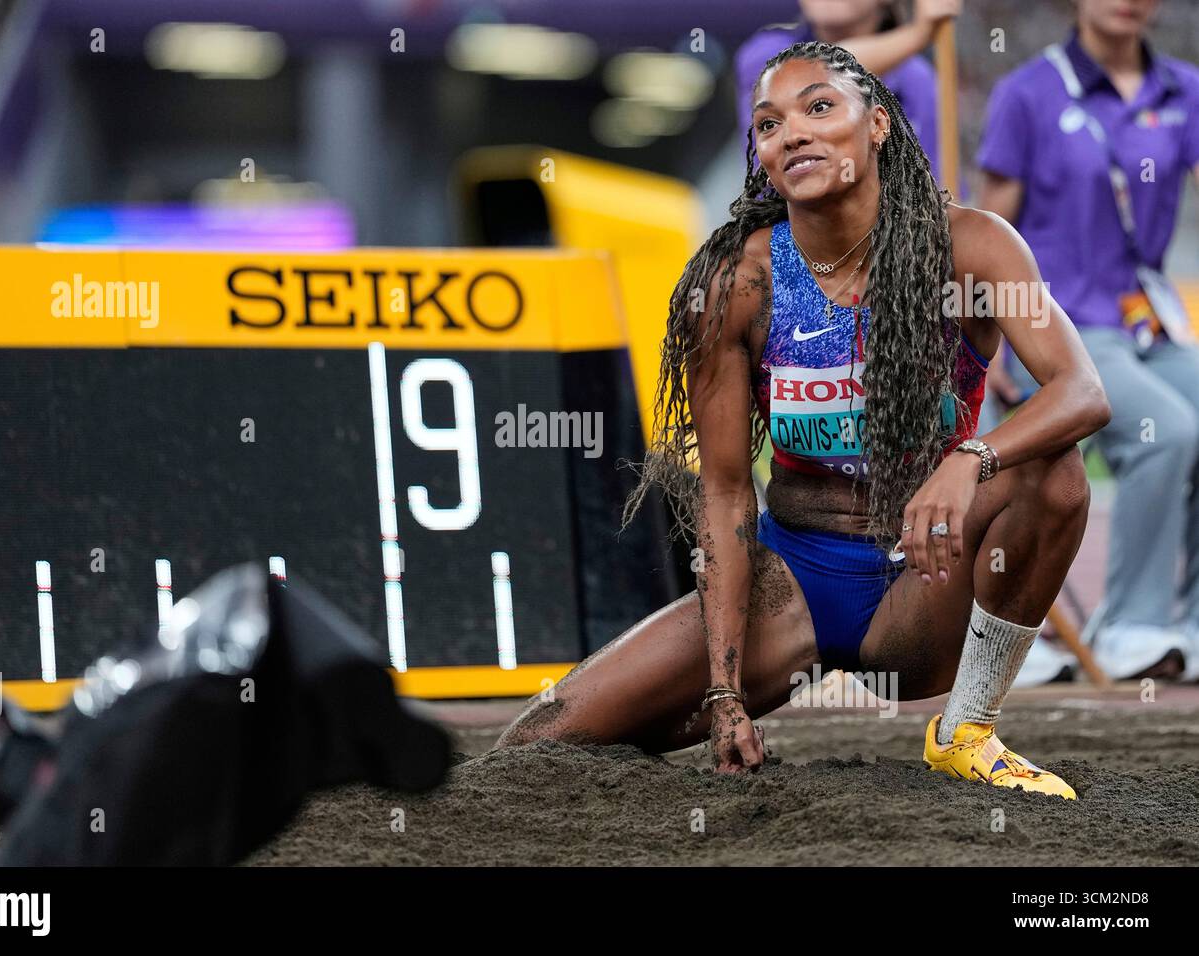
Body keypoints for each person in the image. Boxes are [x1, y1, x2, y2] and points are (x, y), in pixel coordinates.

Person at [495, 41, 1111, 799]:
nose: (792, 132)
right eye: (768, 124)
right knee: (540, 742)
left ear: (877, 125)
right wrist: (723, 694)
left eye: (819, 107)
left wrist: (969, 458)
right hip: (792, 590)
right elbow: (724, 494)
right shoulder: (738, 282)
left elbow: (1082, 391)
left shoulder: (970, 248)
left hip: (925, 585)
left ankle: (967, 731)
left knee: (1053, 466)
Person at [977, 0, 1199, 682]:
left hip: (1150, 318)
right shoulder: (1028, 94)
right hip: (1059, 327)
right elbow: (987, 234)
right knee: (1168, 434)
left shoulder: (1184, 90)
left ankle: (1189, 624)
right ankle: (1129, 625)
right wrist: (992, 345)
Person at [735, 0, 961, 183]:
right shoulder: (765, 52)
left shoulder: (918, 79)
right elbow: (815, 70)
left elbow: (937, 192)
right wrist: (917, 34)